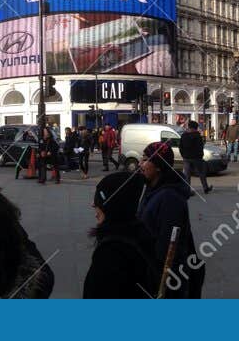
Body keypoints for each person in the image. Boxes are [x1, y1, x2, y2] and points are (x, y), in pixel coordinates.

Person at [137, 142, 202, 298]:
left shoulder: (169, 198)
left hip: (166, 281)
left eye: (145, 159)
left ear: (159, 167)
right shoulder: (152, 187)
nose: (140, 164)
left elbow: (167, 249)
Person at [83, 172, 154, 298]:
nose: (93, 204)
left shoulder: (111, 252)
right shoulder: (140, 232)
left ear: (113, 205)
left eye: (98, 200)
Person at [179, 120, 211, 194]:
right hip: (196, 158)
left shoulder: (184, 135)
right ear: (195, 128)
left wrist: (183, 155)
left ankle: (187, 190)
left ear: (189, 127)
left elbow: (180, 146)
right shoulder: (197, 136)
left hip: (186, 158)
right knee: (201, 173)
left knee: (187, 175)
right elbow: (200, 147)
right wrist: (200, 155)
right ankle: (205, 188)